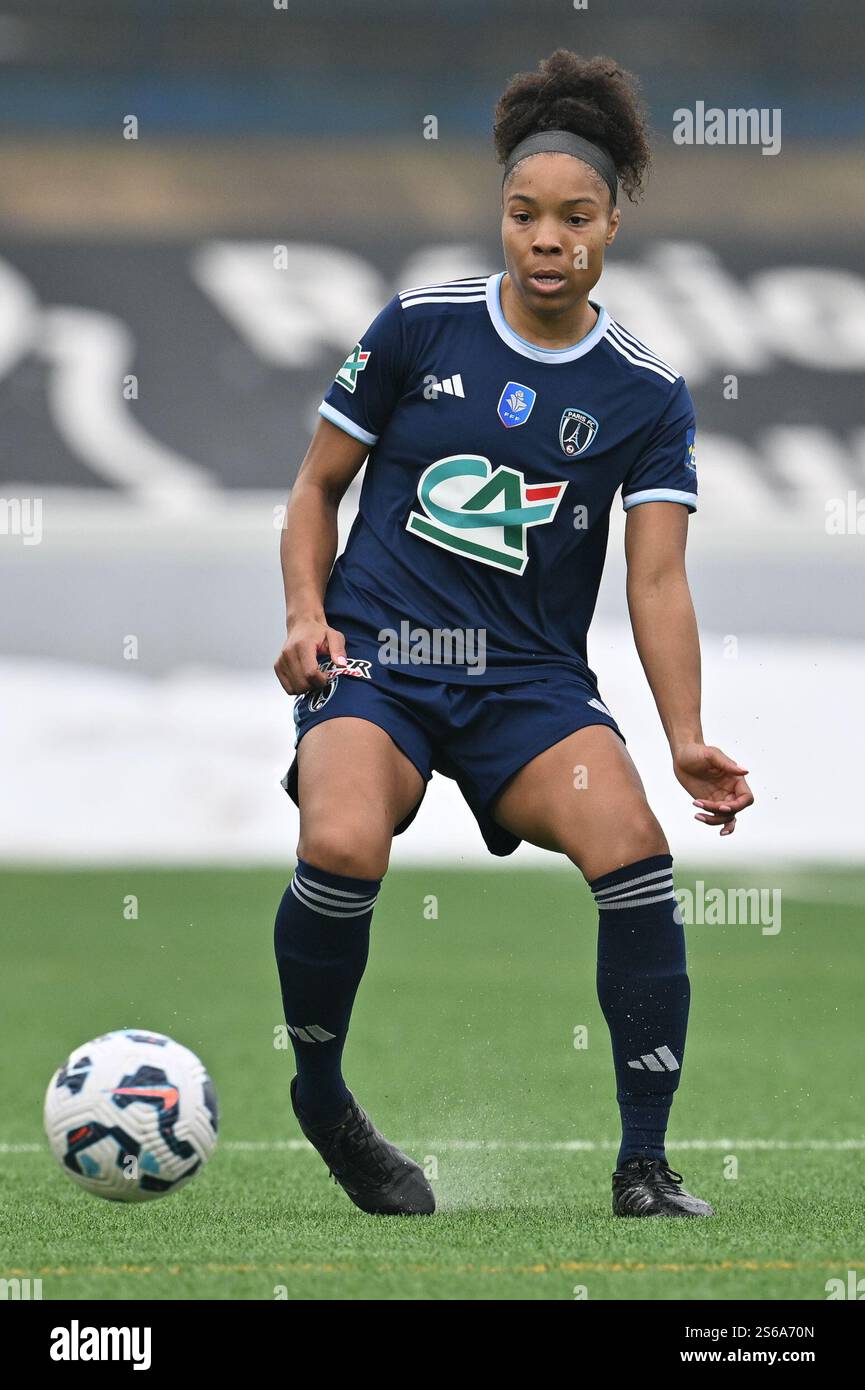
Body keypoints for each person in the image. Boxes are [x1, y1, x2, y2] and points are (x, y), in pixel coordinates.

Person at [272, 49, 753, 1219]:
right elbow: (313, 490)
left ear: (611, 225)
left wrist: (682, 732)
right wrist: (303, 617)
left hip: (528, 686)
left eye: (572, 217)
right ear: (502, 216)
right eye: (523, 213)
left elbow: (655, 579)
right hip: (380, 661)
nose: (545, 237)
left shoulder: (645, 394)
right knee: (341, 842)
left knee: (634, 847)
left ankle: (643, 1165)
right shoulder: (421, 328)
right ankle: (325, 1096)